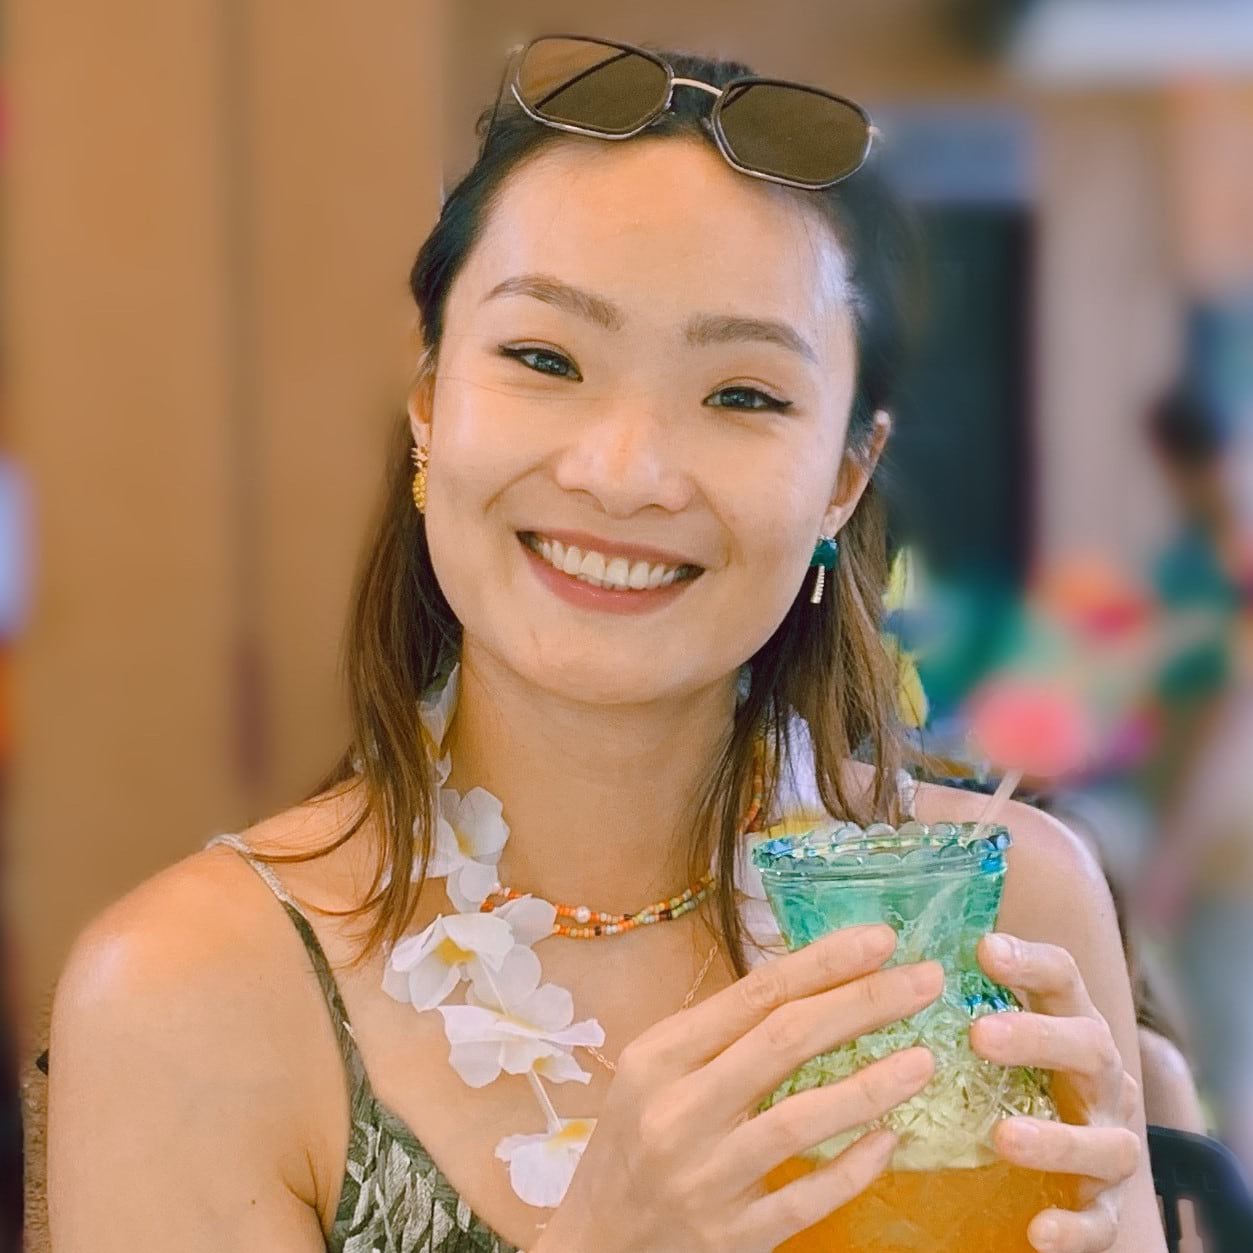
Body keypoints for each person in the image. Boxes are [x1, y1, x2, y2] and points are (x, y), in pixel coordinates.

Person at [46, 36, 1163, 1253]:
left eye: (742, 394)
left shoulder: (1008, 906)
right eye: (544, 359)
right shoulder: (188, 993)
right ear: (429, 404)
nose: (623, 472)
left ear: (845, 478)